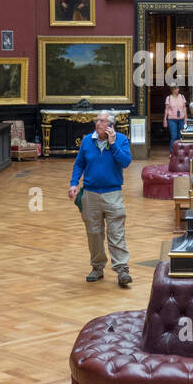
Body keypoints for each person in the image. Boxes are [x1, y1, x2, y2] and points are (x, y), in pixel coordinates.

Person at [69, 110, 133, 286]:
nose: (98, 124)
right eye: (97, 120)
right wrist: (74, 183)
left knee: (116, 233)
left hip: (113, 194)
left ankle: (122, 270)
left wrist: (113, 145)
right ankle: (97, 267)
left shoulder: (121, 140)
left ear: (111, 125)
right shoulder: (87, 141)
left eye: (103, 121)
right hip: (90, 194)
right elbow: (79, 163)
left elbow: (126, 162)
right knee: (94, 233)